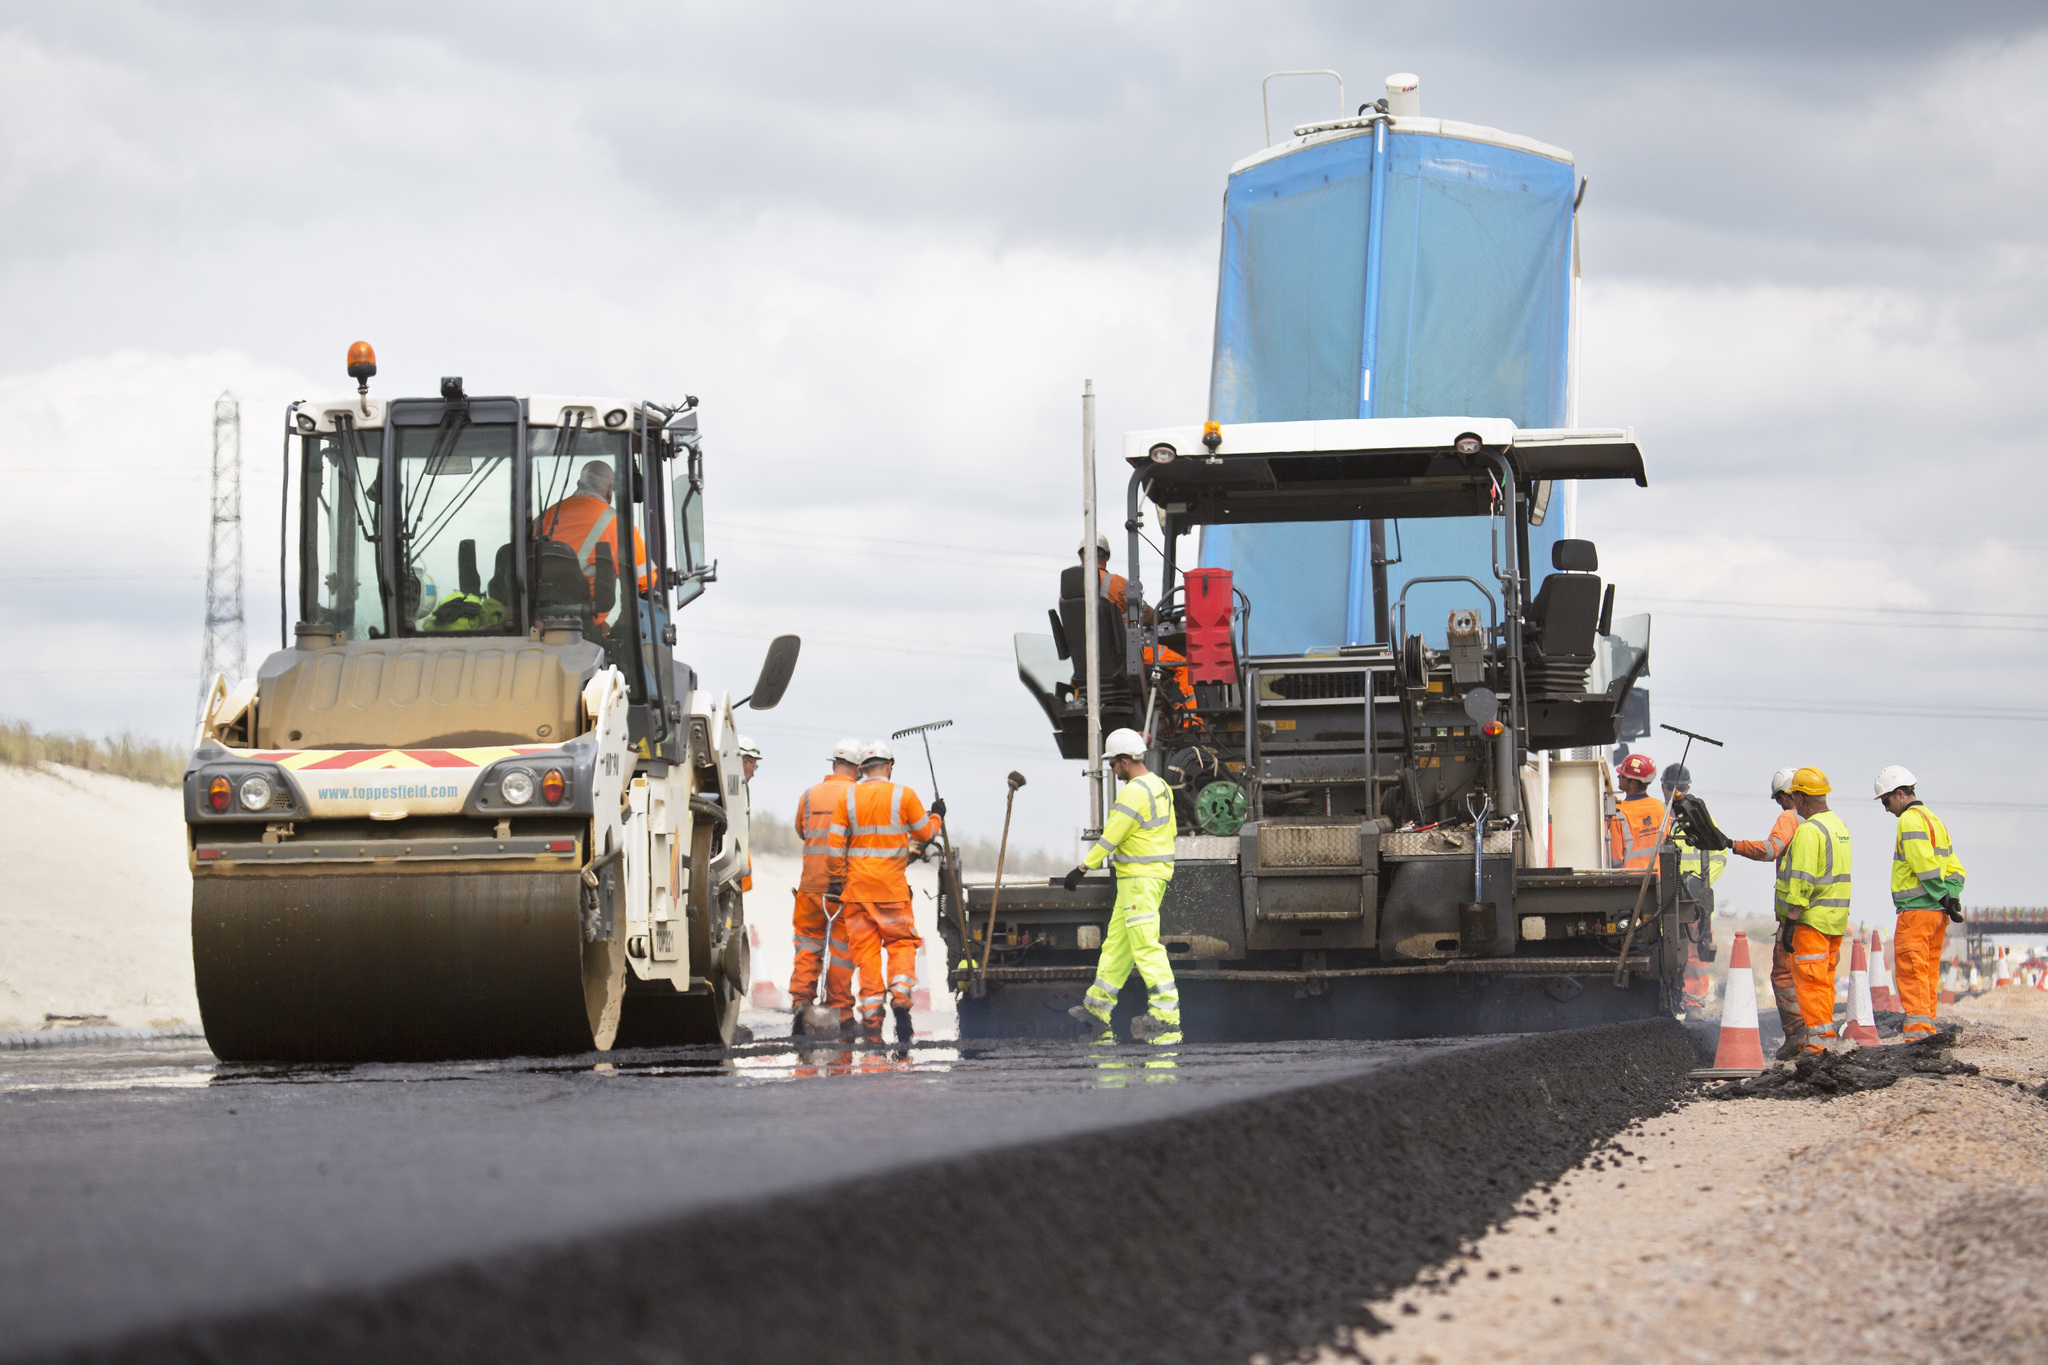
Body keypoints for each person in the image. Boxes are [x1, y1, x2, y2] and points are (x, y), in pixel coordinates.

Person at [1062, 728, 1181, 1043]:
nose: (1112, 770)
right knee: (1117, 945)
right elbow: (1172, 830)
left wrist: (1082, 868)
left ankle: (1166, 1016)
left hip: (1139, 880)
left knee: (1145, 945)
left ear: (1126, 761)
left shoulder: (1132, 792)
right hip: (1145, 878)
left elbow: (1112, 836)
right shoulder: (1161, 787)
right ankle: (1096, 1008)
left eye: (1113, 763)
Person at [824, 739, 943, 1045]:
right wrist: (937, 816)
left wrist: (836, 880)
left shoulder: (848, 797)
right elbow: (924, 834)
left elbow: (834, 844)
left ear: (861, 768)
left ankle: (873, 1021)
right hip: (892, 890)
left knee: (867, 956)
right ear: (889, 766)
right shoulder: (904, 795)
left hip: (857, 892)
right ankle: (901, 998)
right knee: (901, 943)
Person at [1876, 765, 1966, 1040]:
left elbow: (1921, 864)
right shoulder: (1935, 821)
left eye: (1887, 801)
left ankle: (1917, 1032)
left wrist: (1940, 894)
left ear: (1900, 794)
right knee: (1926, 971)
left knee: (1911, 968)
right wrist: (1950, 897)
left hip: (1917, 910)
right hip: (1938, 914)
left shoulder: (1909, 820)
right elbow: (1956, 869)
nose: (1886, 808)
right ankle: (1927, 1026)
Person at [1777, 767, 1853, 1055]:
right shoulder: (1839, 826)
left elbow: (1802, 880)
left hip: (1811, 922)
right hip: (1834, 922)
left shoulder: (1809, 830)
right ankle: (1825, 1039)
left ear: (1801, 796)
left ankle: (1818, 1047)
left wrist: (1791, 921)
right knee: (1824, 983)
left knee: (1810, 983)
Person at [788, 738, 861, 1036]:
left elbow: (801, 830)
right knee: (841, 953)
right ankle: (841, 1013)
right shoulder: (858, 796)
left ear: (833, 764)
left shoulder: (809, 796)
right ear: (857, 768)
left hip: (809, 888)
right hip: (842, 890)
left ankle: (801, 1003)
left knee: (807, 947)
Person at [1731, 767, 1806, 1057]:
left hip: (1796, 915)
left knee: (1785, 975)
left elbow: (1771, 849)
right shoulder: (1826, 823)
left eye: (1779, 799)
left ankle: (1798, 1033)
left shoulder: (1790, 817)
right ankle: (1818, 1032)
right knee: (1813, 977)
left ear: (1789, 795)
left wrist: (1734, 845)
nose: (1780, 805)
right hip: (1828, 917)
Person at [533, 459, 651, 592]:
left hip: (538, 607)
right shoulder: (617, 524)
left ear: (579, 484)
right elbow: (645, 579)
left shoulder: (542, 519)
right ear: (610, 489)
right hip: (590, 610)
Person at [1607, 752, 1664, 871]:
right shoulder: (1661, 808)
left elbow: (1615, 859)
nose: (1618, 777)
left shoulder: (1618, 813)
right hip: (1657, 879)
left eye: (1622, 776)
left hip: (1631, 882)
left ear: (1633, 783)